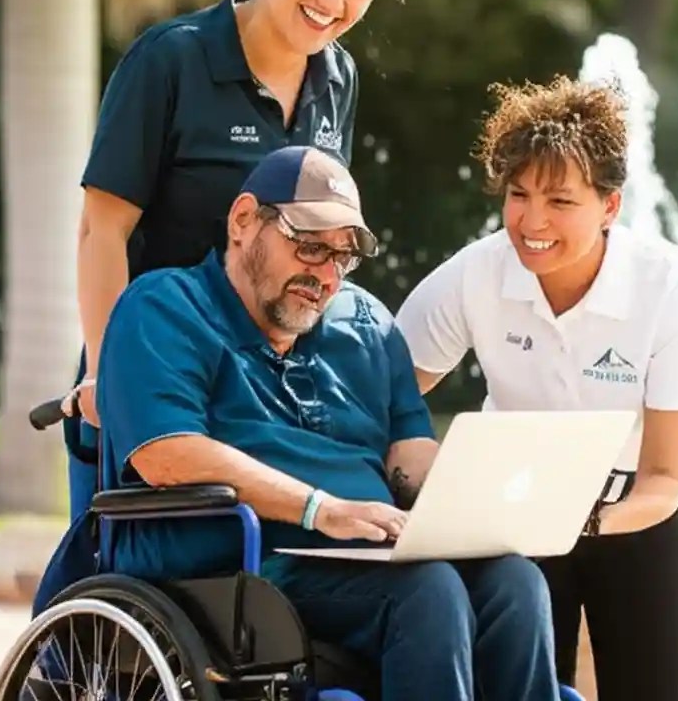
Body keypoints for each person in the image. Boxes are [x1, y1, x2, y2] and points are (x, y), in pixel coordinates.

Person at [91, 145, 563, 701]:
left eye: (342, 258)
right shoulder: (165, 305)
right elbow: (167, 453)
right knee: (426, 591)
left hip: (365, 560)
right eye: (310, 247)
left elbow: (407, 458)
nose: (325, 275)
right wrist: (322, 509)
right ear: (244, 221)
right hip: (236, 570)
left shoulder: (365, 324)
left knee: (515, 582)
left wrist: (486, 502)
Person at [394, 76, 678, 700]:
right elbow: (383, 388)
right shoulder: (478, 273)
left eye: (560, 201)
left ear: (610, 206)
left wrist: (584, 521)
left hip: (647, 518)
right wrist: (419, 472)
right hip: (518, 517)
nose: (532, 221)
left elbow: (664, 477)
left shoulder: (674, 289)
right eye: (518, 195)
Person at [64, 0, 380, 521]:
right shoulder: (169, 60)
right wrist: (105, 374)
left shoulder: (338, 78)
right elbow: (102, 230)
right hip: (159, 370)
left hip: (268, 389)